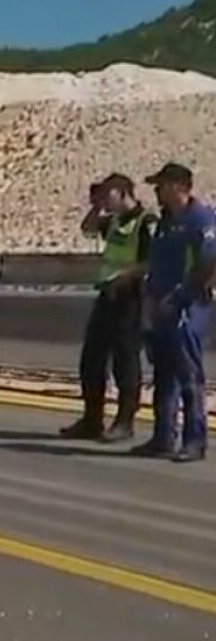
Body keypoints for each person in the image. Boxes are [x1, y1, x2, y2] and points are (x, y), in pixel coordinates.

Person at [132, 162, 216, 463]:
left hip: (187, 307)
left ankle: (195, 440)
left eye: (162, 185)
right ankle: (163, 436)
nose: (157, 191)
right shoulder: (166, 222)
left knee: (189, 374)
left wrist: (180, 297)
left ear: (178, 186)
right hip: (160, 306)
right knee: (164, 374)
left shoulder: (201, 220)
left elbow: (208, 265)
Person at [62, 174, 154, 441]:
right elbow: (88, 229)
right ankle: (92, 419)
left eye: (108, 194)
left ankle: (125, 420)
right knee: (92, 359)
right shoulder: (114, 221)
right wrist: (96, 206)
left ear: (122, 192)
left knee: (125, 361)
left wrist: (125, 277)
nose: (105, 199)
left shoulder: (145, 222)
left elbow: (150, 261)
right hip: (107, 295)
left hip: (131, 297)